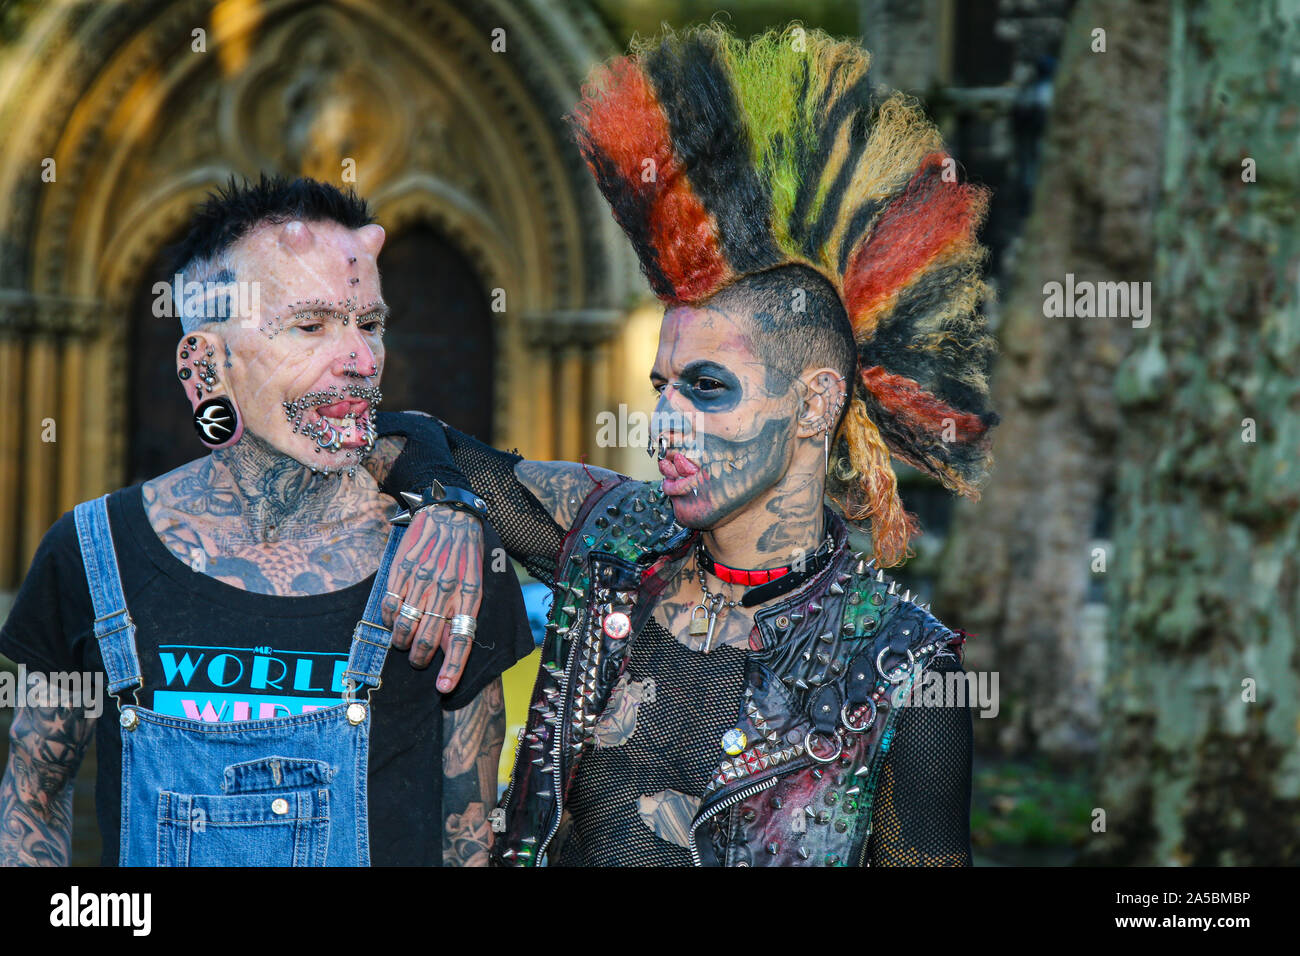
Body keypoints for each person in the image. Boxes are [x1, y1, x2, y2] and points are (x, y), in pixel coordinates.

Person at [376, 23, 999, 866]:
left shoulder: (904, 671)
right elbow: (408, 437)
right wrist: (452, 510)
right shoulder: (609, 539)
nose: (666, 423)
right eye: (660, 388)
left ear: (814, 402)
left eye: (707, 388)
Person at [0, 175, 533, 867]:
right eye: (310, 326)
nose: (361, 361)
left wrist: (454, 502)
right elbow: (32, 797)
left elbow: (470, 839)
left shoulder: (443, 562)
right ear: (205, 368)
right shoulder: (92, 552)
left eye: (369, 325)